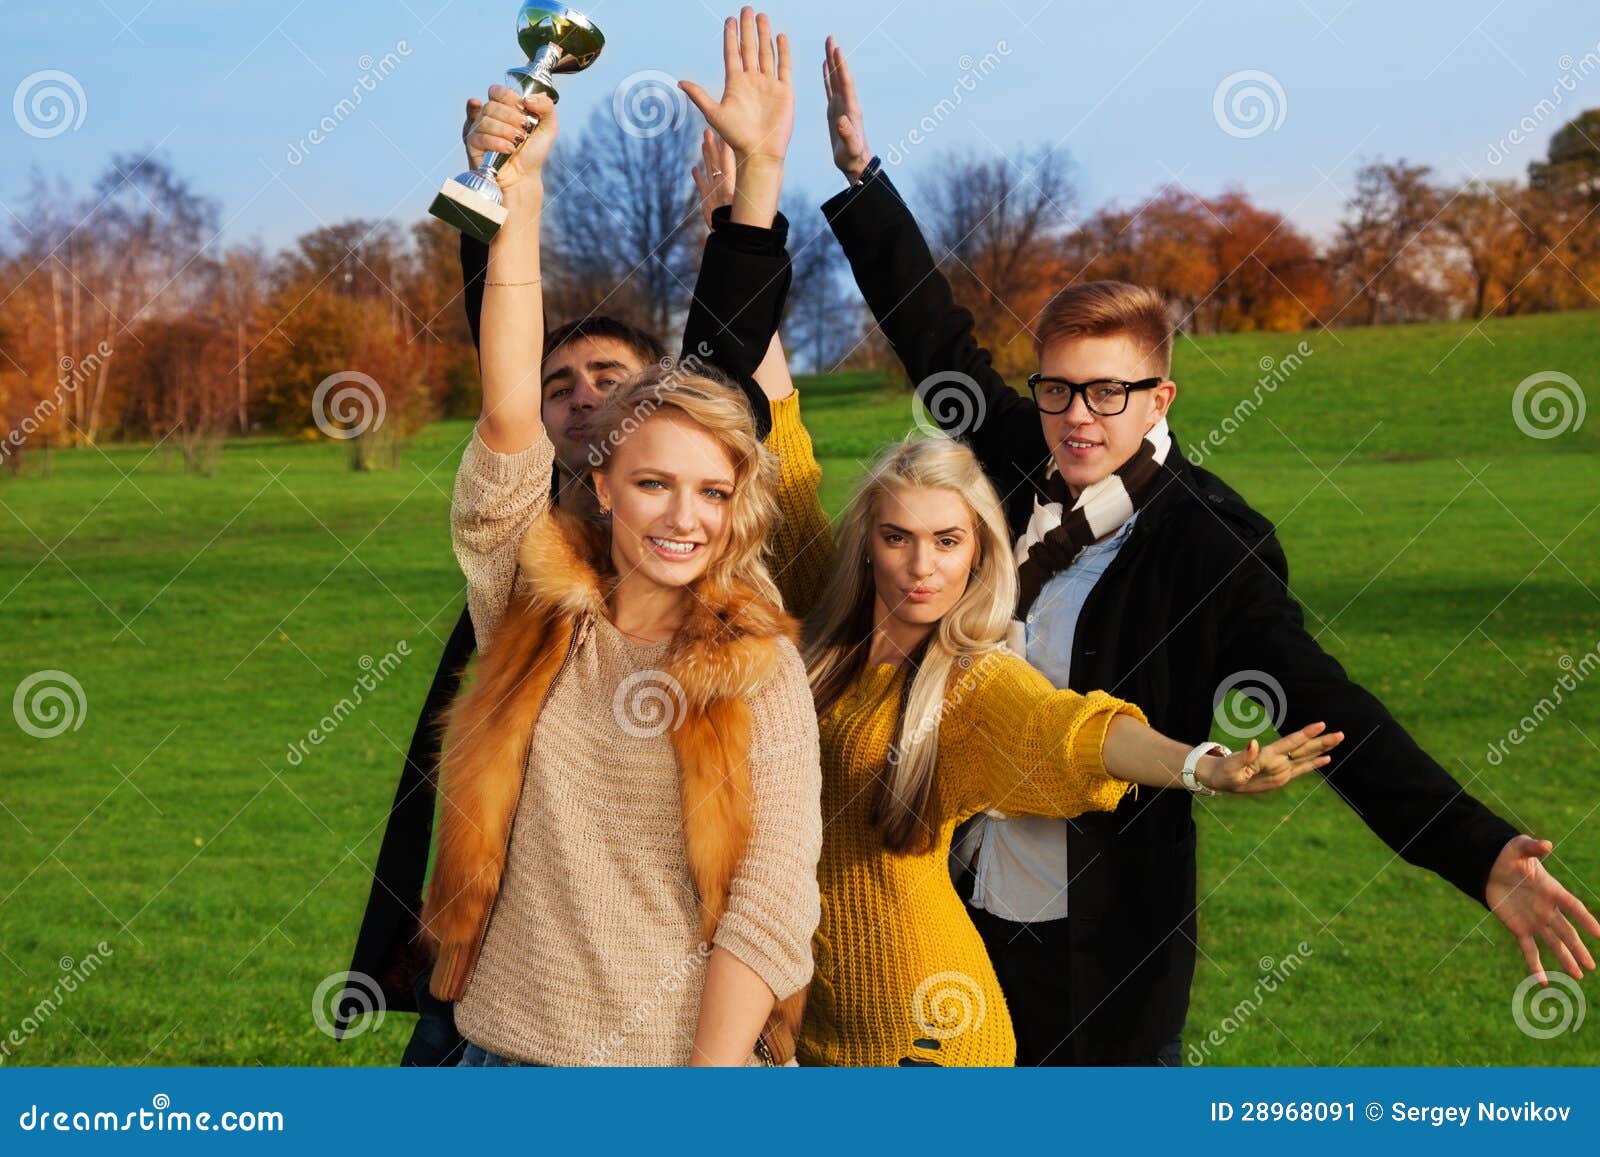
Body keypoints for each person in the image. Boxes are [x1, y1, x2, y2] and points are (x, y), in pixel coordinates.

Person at [809, 38, 1600, 1065]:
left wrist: (1479, 849)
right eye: (1058, 388)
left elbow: (1333, 708)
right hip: (952, 909)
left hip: (1096, 944)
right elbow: (938, 342)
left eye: (1109, 393)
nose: (1078, 418)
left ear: (1159, 397)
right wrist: (862, 177)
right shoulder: (1012, 463)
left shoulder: (1203, 543)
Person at [340, 11, 805, 1064]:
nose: (588, 399)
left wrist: (759, 181)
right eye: (568, 384)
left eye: (615, 382)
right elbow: (504, 394)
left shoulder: (741, 629)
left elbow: (720, 373)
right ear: (594, 472)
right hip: (507, 1009)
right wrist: (519, 186)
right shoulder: (522, 577)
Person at [750, 377, 1342, 1065]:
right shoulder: (823, 631)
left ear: (978, 551)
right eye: (897, 537)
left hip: (926, 1035)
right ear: (867, 542)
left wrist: (1201, 764)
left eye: (947, 540)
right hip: (817, 1018)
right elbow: (786, 471)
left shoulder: (972, 681)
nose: (920, 566)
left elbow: (1075, 732)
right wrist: (754, 269)